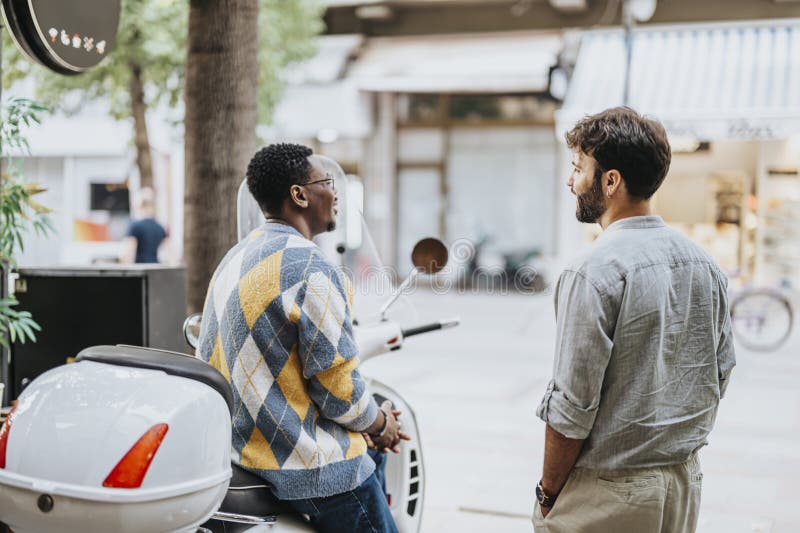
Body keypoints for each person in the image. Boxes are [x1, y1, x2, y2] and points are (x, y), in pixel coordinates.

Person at [533, 107, 736, 533]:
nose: (571, 182)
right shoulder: (704, 264)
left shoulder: (591, 271)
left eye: (578, 169)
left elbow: (571, 408)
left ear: (611, 181)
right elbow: (720, 371)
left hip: (608, 494)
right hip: (682, 484)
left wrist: (548, 492)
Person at [197, 143, 406, 533]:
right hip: (302, 466)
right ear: (299, 195)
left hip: (241, 453)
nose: (336, 192)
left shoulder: (235, 259)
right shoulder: (312, 268)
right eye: (328, 182)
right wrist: (380, 424)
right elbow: (338, 391)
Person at [121, 187, 168, 263]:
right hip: (155, 269)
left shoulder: (135, 226)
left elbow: (128, 254)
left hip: (140, 271)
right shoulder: (160, 227)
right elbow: (171, 256)